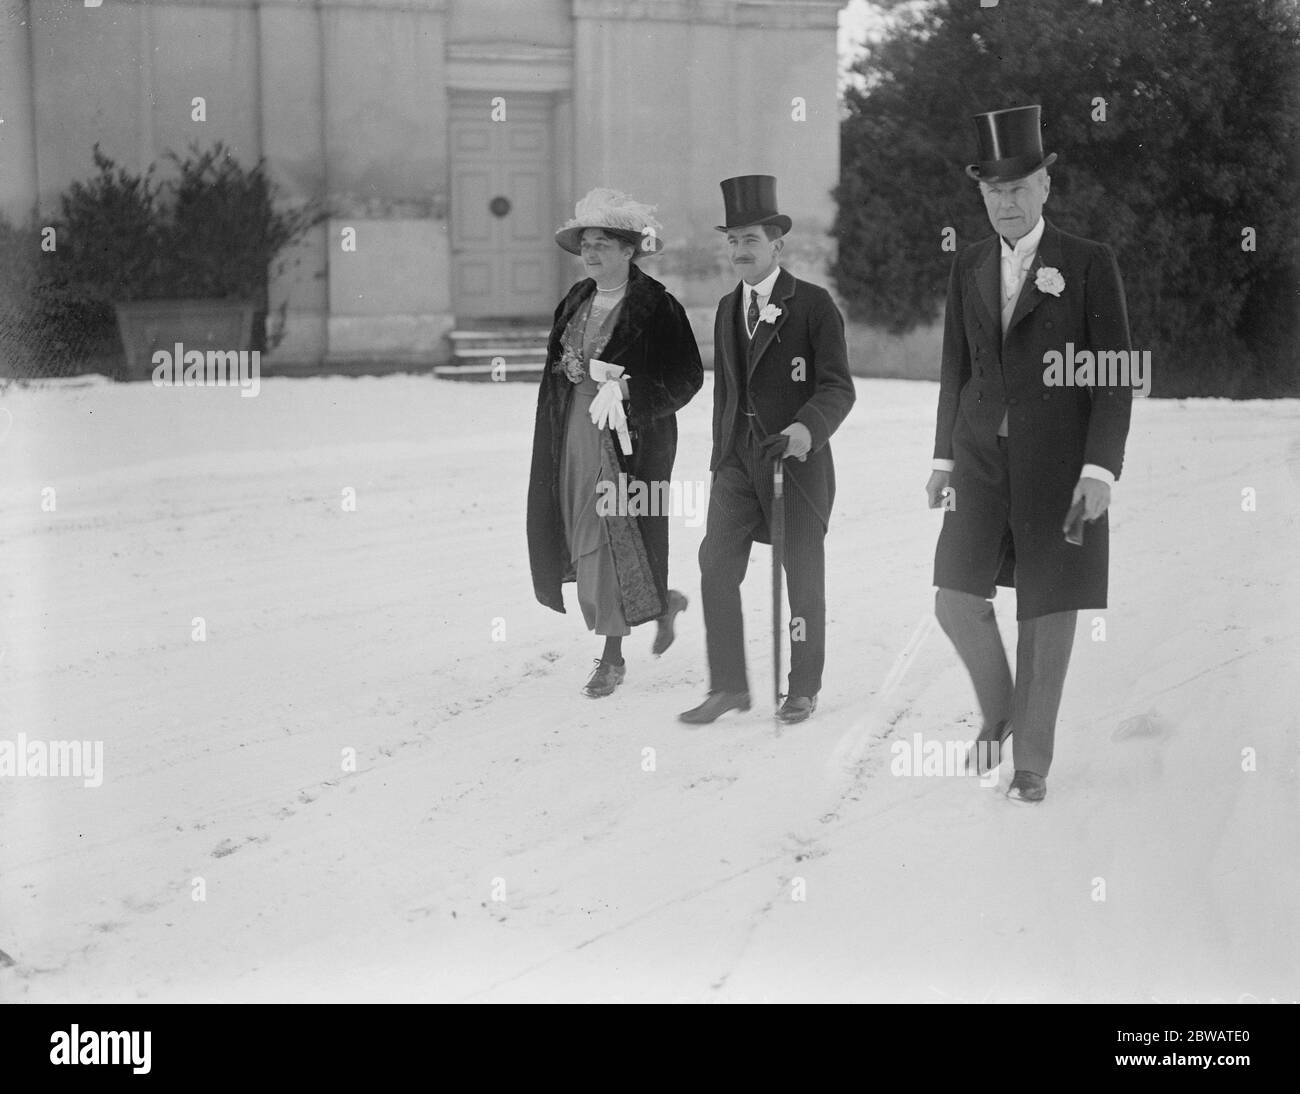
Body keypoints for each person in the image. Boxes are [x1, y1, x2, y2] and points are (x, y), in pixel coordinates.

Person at [925, 105, 1133, 802]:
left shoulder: (1087, 263)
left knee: (1046, 608)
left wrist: (1100, 469)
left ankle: (1032, 761)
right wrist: (943, 459)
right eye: (992, 192)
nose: (1005, 204)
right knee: (956, 595)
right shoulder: (971, 262)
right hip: (978, 457)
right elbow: (956, 365)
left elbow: (1112, 377)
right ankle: (1001, 707)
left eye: (1018, 189)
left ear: (1046, 186)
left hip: (1058, 463)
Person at [680, 175, 856, 726]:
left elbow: (837, 386)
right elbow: (727, 393)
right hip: (739, 460)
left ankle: (801, 687)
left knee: (801, 576)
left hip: (797, 462)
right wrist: (721, 459)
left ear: (777, 245)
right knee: (714, 564)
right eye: (732, 240)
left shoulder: (813, 305)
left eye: (750, 239)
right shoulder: (728, 308)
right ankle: (728, 685)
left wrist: (807, 429)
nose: (739, 251)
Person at [527, 188, 703, 698]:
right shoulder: (576, 300)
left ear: (630, 250)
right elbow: (557, 367)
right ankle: (660, 603)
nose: (592, 253)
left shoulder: (657, 306)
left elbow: (687, 377)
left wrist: (629, 391)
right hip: (573, 435)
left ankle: (611, 656)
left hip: (630, 442)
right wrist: (571, 372)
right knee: (581, 533)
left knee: (609, 536)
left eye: (604, 244)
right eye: (587, 244)